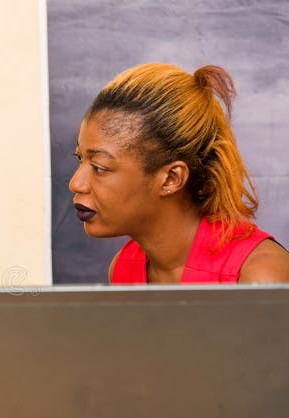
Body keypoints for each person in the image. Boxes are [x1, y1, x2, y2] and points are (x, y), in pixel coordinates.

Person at [69, 62, 289, 283]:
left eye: (99, 167)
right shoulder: (123, 268)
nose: (76, 183)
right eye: (80, 159)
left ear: (171, 179)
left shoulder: (260, 274)